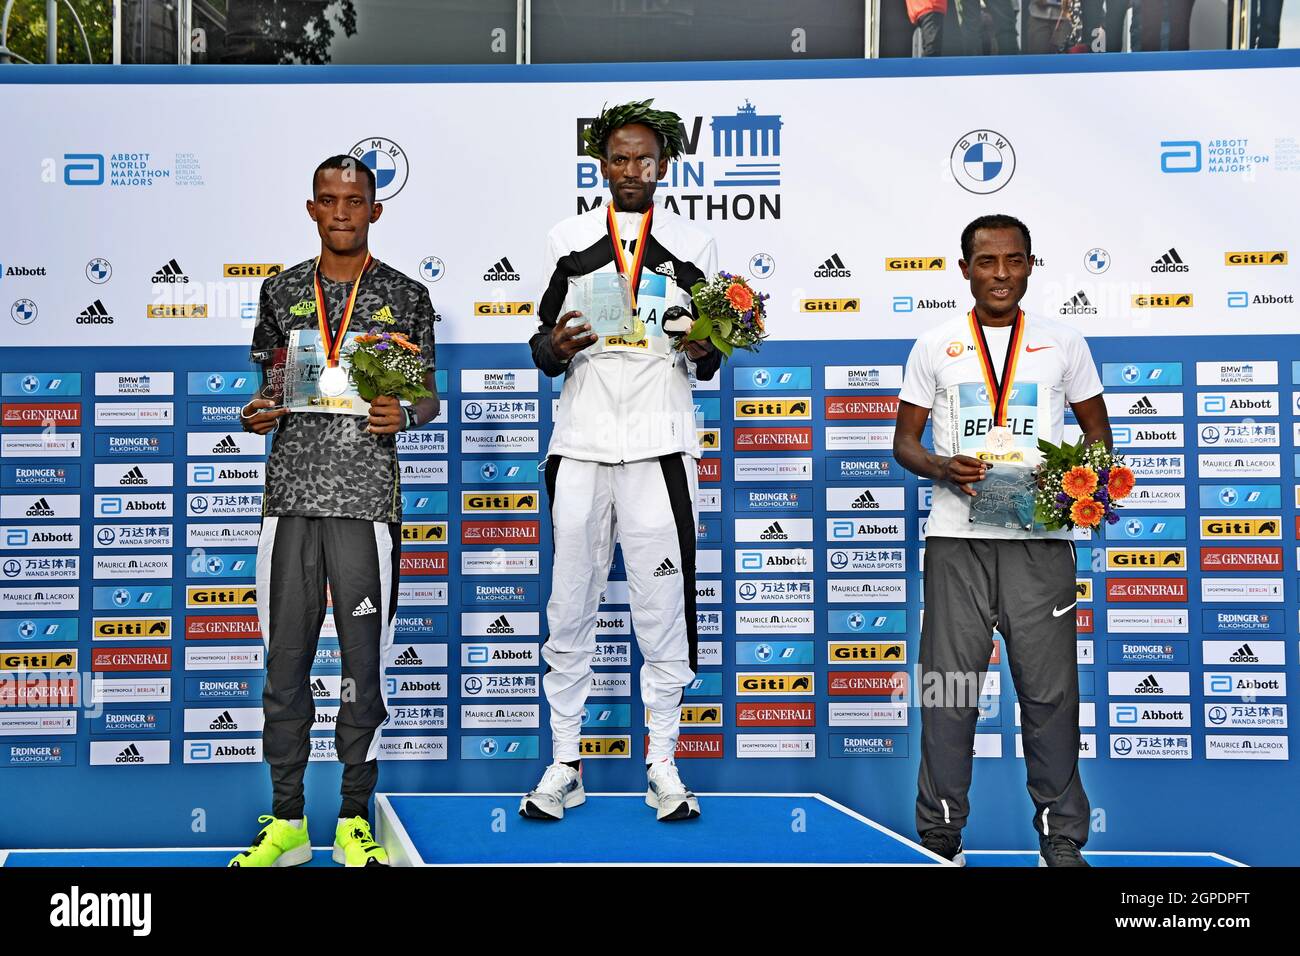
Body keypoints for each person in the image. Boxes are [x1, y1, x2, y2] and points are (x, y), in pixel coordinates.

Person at [230, 155, 439, 867]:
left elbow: (426, 397)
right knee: (283, 667)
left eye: (355, 200)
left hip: (364, 506)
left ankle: (353, 820)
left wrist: (402, 414)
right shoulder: (281, 291)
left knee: (362, 671)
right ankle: (286, 822)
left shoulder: (405, 296)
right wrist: (257, 412)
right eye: (329, 200)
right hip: (288, 502)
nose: (342, 211)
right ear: (312, 209)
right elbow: (268, 389)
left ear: (375, 211)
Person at [521, 99, 720, 822]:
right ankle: (565, 763)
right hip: (579, 448)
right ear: (601, 166)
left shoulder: (696, 241)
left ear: (664, 167)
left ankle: (662, 763)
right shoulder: (566, 238)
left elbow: (712, 353)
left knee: (662, 610)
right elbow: (541, 346)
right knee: (567, 607)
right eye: (619, 158)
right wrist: (558, 348)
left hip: (659, 450)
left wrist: (703, 346)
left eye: (645, 159)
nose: (632, 170)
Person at [892, 214, 1111, 868]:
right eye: (986, 262)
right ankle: (941, 836)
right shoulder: (934, 345)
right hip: (956, 541)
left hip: (1037, 542)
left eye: (1013, 261)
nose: (1001, 274)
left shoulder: (1062, 342)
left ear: (1030, 265)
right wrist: (940, 466)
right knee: (949, 692)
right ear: (965, 269)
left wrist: (1072, 486)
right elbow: (904, 443)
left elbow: (1098, 439)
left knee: (1048, 695)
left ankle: (1061, 840)